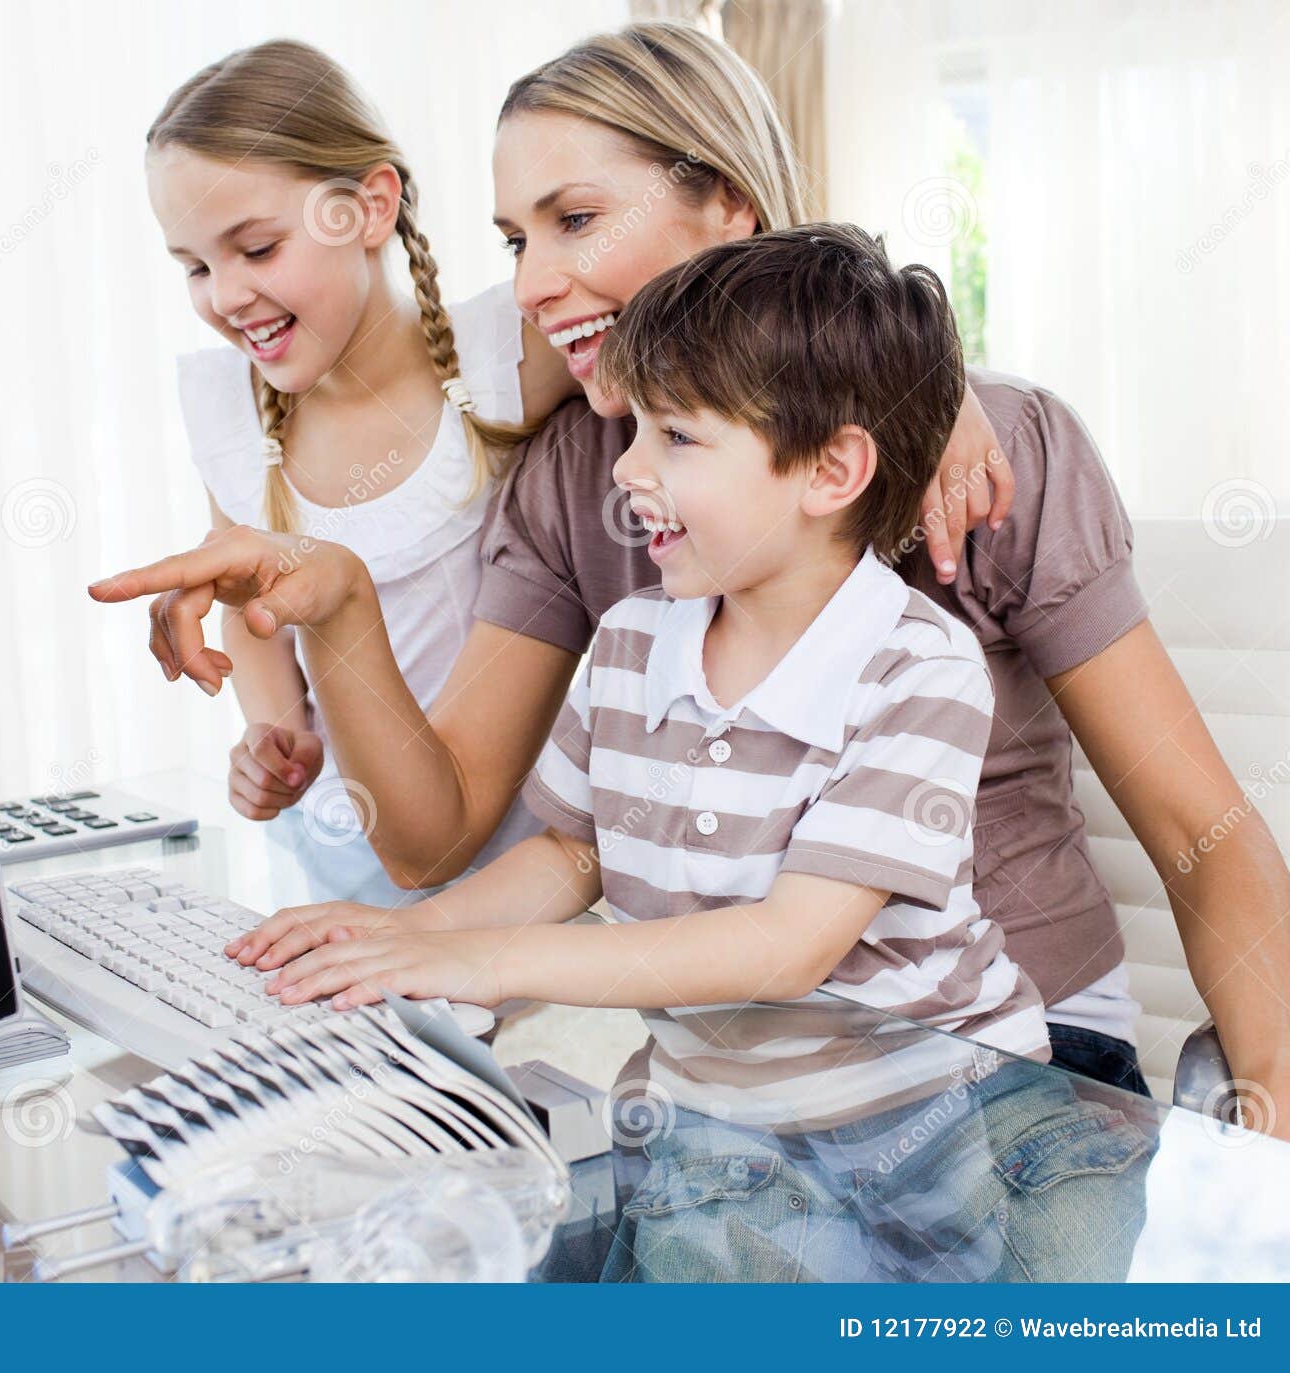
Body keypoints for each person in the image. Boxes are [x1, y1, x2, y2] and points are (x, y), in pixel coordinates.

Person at [93, 23, 1290, 1124]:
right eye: (514, 239)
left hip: (1001, 1064)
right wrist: (340, 600)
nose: (530, 285)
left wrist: (1268, 1122)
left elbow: (1200, 829)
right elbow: (441, 838)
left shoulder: (986, 450)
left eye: (574, 221)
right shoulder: (575, 478)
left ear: (727, 205)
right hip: (730, 1075)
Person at [238, 229, 1153, 1282]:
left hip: (939, 1138)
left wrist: (477, 961)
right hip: (725, 1142)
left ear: (830, 470)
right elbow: (574, 850)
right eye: (635, 429)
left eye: (675, 435)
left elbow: (786, 945)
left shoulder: (916, 665)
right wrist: (406, 935)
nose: (626, 468)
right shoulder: (631, 642)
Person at [139, 39, 572, 898]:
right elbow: (250, 604)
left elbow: (712, 318)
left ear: (371, 206)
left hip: (503, 872)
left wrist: (921, 414)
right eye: (195, 267)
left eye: (256, 250)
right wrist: (274, 735)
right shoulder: (228, 409)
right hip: (337, 863)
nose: (223, 296)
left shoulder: (506, 355)